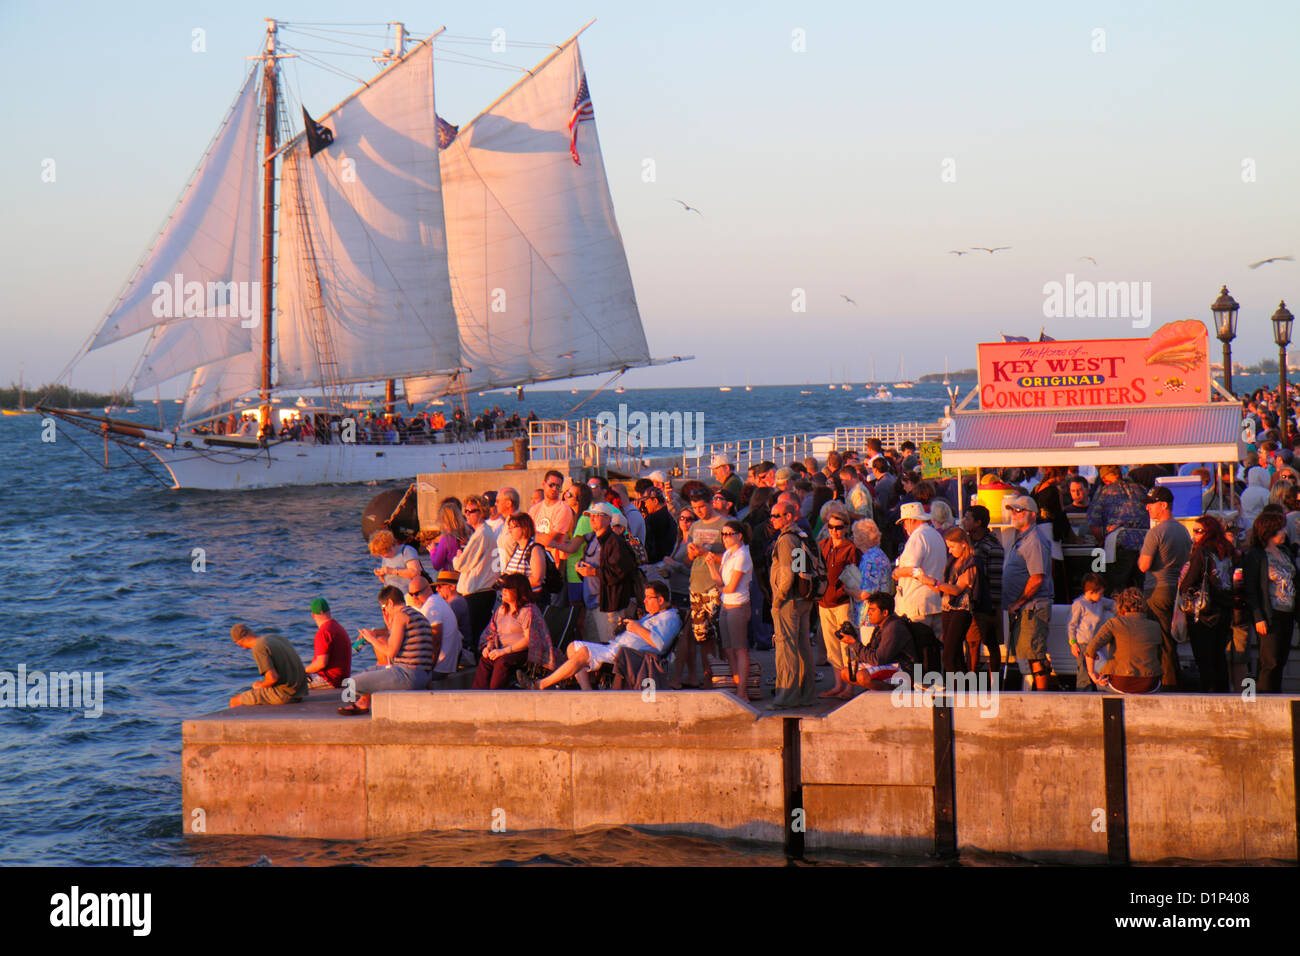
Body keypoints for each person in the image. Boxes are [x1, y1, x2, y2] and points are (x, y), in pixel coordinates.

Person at [538, 582, 681, 689]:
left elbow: (660, 645)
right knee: (573, 647)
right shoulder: (653, 615)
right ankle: (587, 691)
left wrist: (637, 628)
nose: (644, 601)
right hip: (615, 648)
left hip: (628, 655)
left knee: (583, 653)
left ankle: (542, 684)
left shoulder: (670, 618)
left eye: (648, 598)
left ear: (660, 600)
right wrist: (627, 626)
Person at [341, 586, 436, 715]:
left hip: (408, 675)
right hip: (423, 675)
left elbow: (391, 652)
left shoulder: (400, 616)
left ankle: (362, 702)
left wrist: (372, 638)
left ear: (390, 603)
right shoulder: (416, 615)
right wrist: (380, 630)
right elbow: (401, 638)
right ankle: (363, 702)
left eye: (384, 608)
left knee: (351, 684)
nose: (384, 612)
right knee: (367, 672)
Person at [1137, 486, 1192, 690]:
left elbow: (1144, 565)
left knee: (1163, 642)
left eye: (1151, 504)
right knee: (1172, 639)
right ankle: (1174, 680)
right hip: (1175, 589)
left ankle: (1168, 686)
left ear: (1163, 505)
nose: (1148, 508)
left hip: (1156, 590)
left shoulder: (1156, 532)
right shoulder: (1182, 530)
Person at [768, 500, 817, 709]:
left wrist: (778, 600)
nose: (773, 520)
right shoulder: (801, 534)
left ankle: (786, 698)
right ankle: (806, 695)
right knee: (803, 647)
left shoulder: (786, 539)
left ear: (789, 516)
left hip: (789, 601)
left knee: (786, 648)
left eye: (777, 515)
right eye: (771, 516)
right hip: (804, 598)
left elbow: (787, 573)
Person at [1002, 495, 1054, 690]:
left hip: (1033, 607)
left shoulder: (1035, 541)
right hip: (1024, 608)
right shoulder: (1020, 538)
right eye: (1013, 510)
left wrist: (1018, 602)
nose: (1014, 514)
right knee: (1030, 654)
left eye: (1019, 511)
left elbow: (1037, 577)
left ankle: (1042, 698)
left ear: (1032, 515)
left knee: (1035, 655)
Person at [1242, 511, 1297, 693]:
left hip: (1287, 612)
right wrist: (1258, 616)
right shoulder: (1256, 555)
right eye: (1280, 529)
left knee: (1281, 659)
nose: (1284, 533)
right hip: (1270, 613)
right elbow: (1252, 589)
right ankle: (1262, 697)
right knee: (1270, 660)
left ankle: (1276, 695)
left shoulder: (1285, 551)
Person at [679, 487, 729, 687]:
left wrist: (703, 553)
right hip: (696, 585)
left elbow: (732, 558)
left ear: (711, 503)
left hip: (716, 585)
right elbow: (686, 561)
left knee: (721, 636)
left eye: (701, 507)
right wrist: (691, 555)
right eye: (694, 508)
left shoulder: (725, 524)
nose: (698, 511)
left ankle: (726, 677)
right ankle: (709, 678)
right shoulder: (694, 527)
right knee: (702, 635)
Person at [1178, 515, 1234, 692]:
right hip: (1225, 609)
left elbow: (1189, 581)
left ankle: (1209, 696)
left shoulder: (1201, 552)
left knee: (1204, 659)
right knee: (1219, 657)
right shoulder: (1227, 550)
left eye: (1198, 531)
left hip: (1203, 612)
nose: (1194, 535)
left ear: (1208, 532)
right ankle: (1223, 694)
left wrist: (1181, 586)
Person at [473, 573, 558, 689]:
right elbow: (493, 633)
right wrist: (489, 646)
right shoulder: (501, 610)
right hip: (502, 649)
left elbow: (529, 640)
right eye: (503, 588)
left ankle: (495, 694)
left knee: (502, 661)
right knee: (485, 661)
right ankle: (478, 695)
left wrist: (504, 651)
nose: (504, 591)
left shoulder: (528, 610)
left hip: (522, 652)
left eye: (508, 588)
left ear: (518, 591)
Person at [920, 527, 982, 676]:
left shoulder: (971, 563)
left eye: (952, 547)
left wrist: (934, 582)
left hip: (961, 610)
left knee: (949, 656)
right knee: (956, 655)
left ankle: (960, 690)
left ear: (963, 544)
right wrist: (925, 581)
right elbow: (944, 589)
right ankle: (962, 690)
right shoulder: (952, 562)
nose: (950, 551)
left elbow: (956, 589)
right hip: (948, 608)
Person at [574, 502, 638, 644]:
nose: (592, 518)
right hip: (591, 604)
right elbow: (591, 570)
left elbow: (620, 572)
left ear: (608, 519)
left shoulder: (615, 542)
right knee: (593, 650)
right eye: (591, 515)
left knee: (609, 649)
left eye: (597, 515)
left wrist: (593, 571)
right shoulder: (591, 540)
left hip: (608, 606)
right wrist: (580, 569)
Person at [706, 520, 756, 700]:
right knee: (728, 649)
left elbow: (731, 587)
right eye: (724, 534)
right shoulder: (728, 554)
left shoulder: (743, 555)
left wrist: (721, 588)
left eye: (729, 534)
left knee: (739, 648)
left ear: (739, 535)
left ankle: (743, 691)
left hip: (738, 605)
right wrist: (711, 566)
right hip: (726, 605)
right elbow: (719, 582)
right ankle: (737, 687)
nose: (725, 538)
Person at [1084, 587, 1164, 694]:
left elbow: (1091, 648)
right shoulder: (1155, 626)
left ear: (1120, 604)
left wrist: (1092, 674)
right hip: (1150, 683)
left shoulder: (1114, 623)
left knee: (1098, 660)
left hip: (1121, 683)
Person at [1086, 465, 1150, 592]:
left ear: (1105, 479)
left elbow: (1094, 524)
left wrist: (1100, 541)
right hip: (1145, 543)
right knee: (1141, 588)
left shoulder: (1105, 491)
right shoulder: (1141, 489)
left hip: (1120, 544)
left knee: (1118, 588)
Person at [818, 508, 860, 698]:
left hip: (842, 602)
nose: (834, 531)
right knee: (831, 646)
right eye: (831, 527)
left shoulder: (851, 548)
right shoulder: (823, 545)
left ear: (845, 528)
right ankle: (837, 684)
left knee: (846, 645)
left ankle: (849, 686)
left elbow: (855, 576)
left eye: (839, 527)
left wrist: (842, 590)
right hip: (824, 602)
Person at [452, 494, 499, 648]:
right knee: (477, 634)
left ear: (482, 512)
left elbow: (461, 565)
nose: (467, 514)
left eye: (471, 511)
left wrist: (457, 557)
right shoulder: (485, 532)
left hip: (478, 593)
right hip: (481, 592)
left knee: (475, 635)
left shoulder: (481, 534)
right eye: (466, 511)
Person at [892, 502, 947, 634]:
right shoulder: (936, 534)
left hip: (917, 604)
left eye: (904, 523)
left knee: (919, 649)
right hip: (936, 602)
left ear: (911, 520)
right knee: (936, 649)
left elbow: (912, 568)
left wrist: (896, 572)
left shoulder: (917, 537)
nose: (904, 527)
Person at [843, 591, 916, 687]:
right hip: (888, 664)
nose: (869, 613)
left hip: (903, 669)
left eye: (872, 610)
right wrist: (854, 639)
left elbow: (877, 659)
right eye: (868, 610)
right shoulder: (880, 626)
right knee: (845, 672)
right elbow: (870, 653)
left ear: (885, 612)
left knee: (863, 676)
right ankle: (878, 686)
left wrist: (855, 643)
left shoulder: (893, 627)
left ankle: (893, 689)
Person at [228, 623, 309, 707]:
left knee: (235, 701)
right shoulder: (275, 637)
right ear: (251, 631)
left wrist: (260, 685)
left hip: (285, 694)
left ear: (239, 642)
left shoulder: (258, 647)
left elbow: (272, 678)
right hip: (300, 690)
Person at [407, 574, 462, 680]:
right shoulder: (436, 600)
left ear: (428, 589)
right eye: (411, 594)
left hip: (440, 668)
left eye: (417, 593)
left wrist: (428, 670)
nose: (414, 598)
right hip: (446, 664)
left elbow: (436, 642)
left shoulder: (431, 607)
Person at [1067, 573, 1114, 691]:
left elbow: (1114, 605)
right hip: (1083, 643)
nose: (1101, 596)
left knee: (1100, 669)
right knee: (1084, 672)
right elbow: (1071, 625)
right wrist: (1073, 643)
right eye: (1100, 593)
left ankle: (1100, 691)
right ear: (1091, 592)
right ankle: (1083, 695)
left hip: (1097, 643)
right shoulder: (1079, 604)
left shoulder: (1101, 602)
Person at [303, 597, 352, 690]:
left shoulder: (324, 632)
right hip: (342, 678)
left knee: (291, 686)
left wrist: (302, 671)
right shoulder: (337, 626)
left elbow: (321, 663)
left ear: (313, 615)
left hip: (330, 679)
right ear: (329, 611)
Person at [530, 469, 575, 568]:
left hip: (555, 564)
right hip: (535, 561)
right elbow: (527, 535)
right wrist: (537, 536)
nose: (554, 489)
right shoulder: (534, 509)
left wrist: (534, 535)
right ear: (544, 484)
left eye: (558, 486)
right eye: (551, 485)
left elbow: (550, 539)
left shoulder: (564, 509)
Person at [502, 511, 547, 595]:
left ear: (524, 528)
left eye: (513, 527)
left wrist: (512, 585)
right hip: (516, 599)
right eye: (509, 528)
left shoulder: (535, 549)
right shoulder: (517, 548)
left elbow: (537, 580)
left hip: (529, 599)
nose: (510, 531)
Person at [427, 500, 469, 575]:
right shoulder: (468, 533)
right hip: (466, 575)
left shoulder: (446, 539)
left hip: (452, 577)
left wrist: (433, 551)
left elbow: (437, 565)